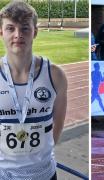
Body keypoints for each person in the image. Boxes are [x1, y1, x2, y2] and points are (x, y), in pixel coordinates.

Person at [0, 1, 67, 179]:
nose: (17, 35)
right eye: (10, 28)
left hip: (44, 173)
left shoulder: (55, 75)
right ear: (1, 32)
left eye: (24, 28)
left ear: (35, 32)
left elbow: (57, 128)